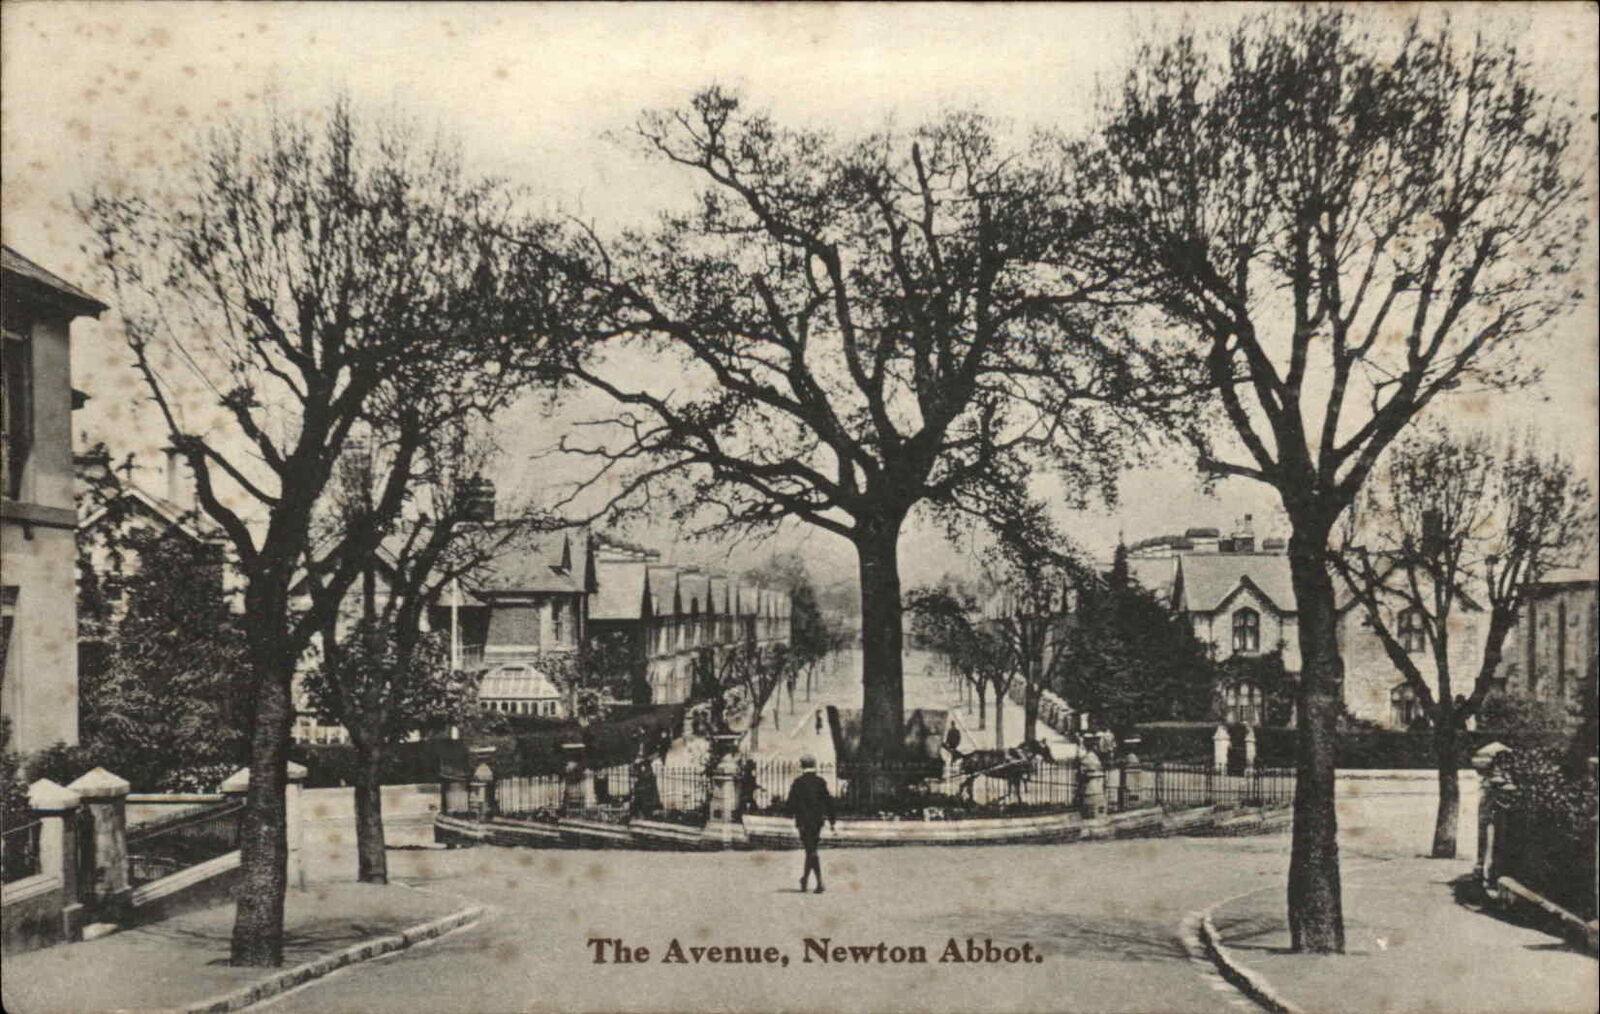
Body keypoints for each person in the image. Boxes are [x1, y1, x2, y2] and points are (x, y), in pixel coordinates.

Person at [787, 755, 836, 894]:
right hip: (817, 822)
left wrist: (791, 814)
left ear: (801, 766)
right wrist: (832, 820)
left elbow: (790, 803)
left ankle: (819, 882)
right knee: (811, 850)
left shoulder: (798, 783)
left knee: (811, 850)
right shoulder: (820, 782)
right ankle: (805, 879)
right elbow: (829, 802)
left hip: (803, 822)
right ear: (814, 765)